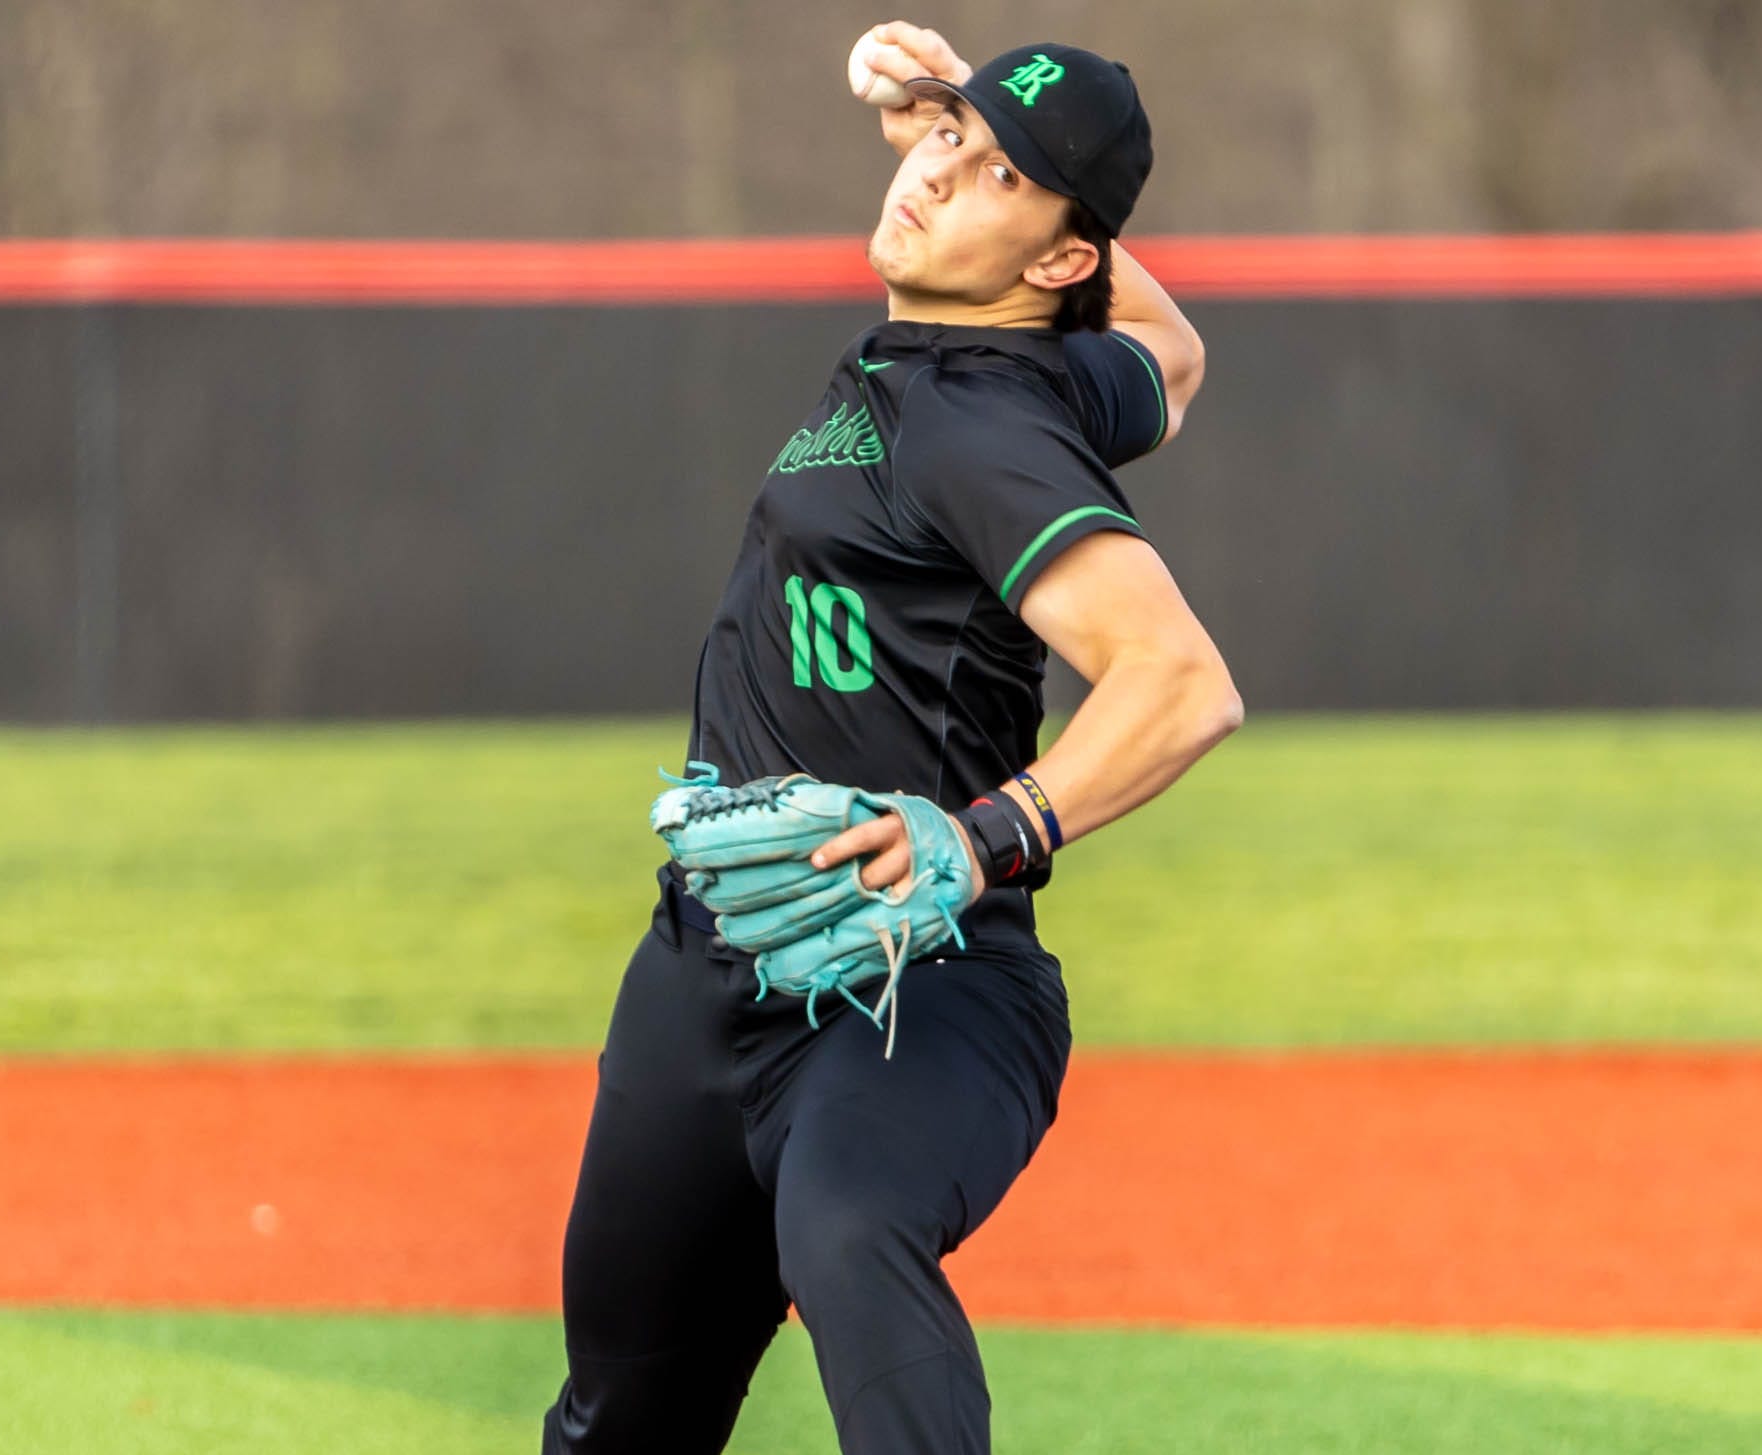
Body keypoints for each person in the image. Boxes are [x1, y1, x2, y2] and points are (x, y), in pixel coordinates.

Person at [543, 25, 1240, 1455]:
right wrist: (983, 123)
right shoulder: (1036, 363)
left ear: (1057, 263)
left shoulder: (985, 431)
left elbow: (1178, 681)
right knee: (619, 1418)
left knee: (852, 1234)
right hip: (705, 975)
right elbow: (1170, 356)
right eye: (945, 141)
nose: (933, 176)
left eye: (992, 178)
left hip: (912, 979)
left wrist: (988, 836)